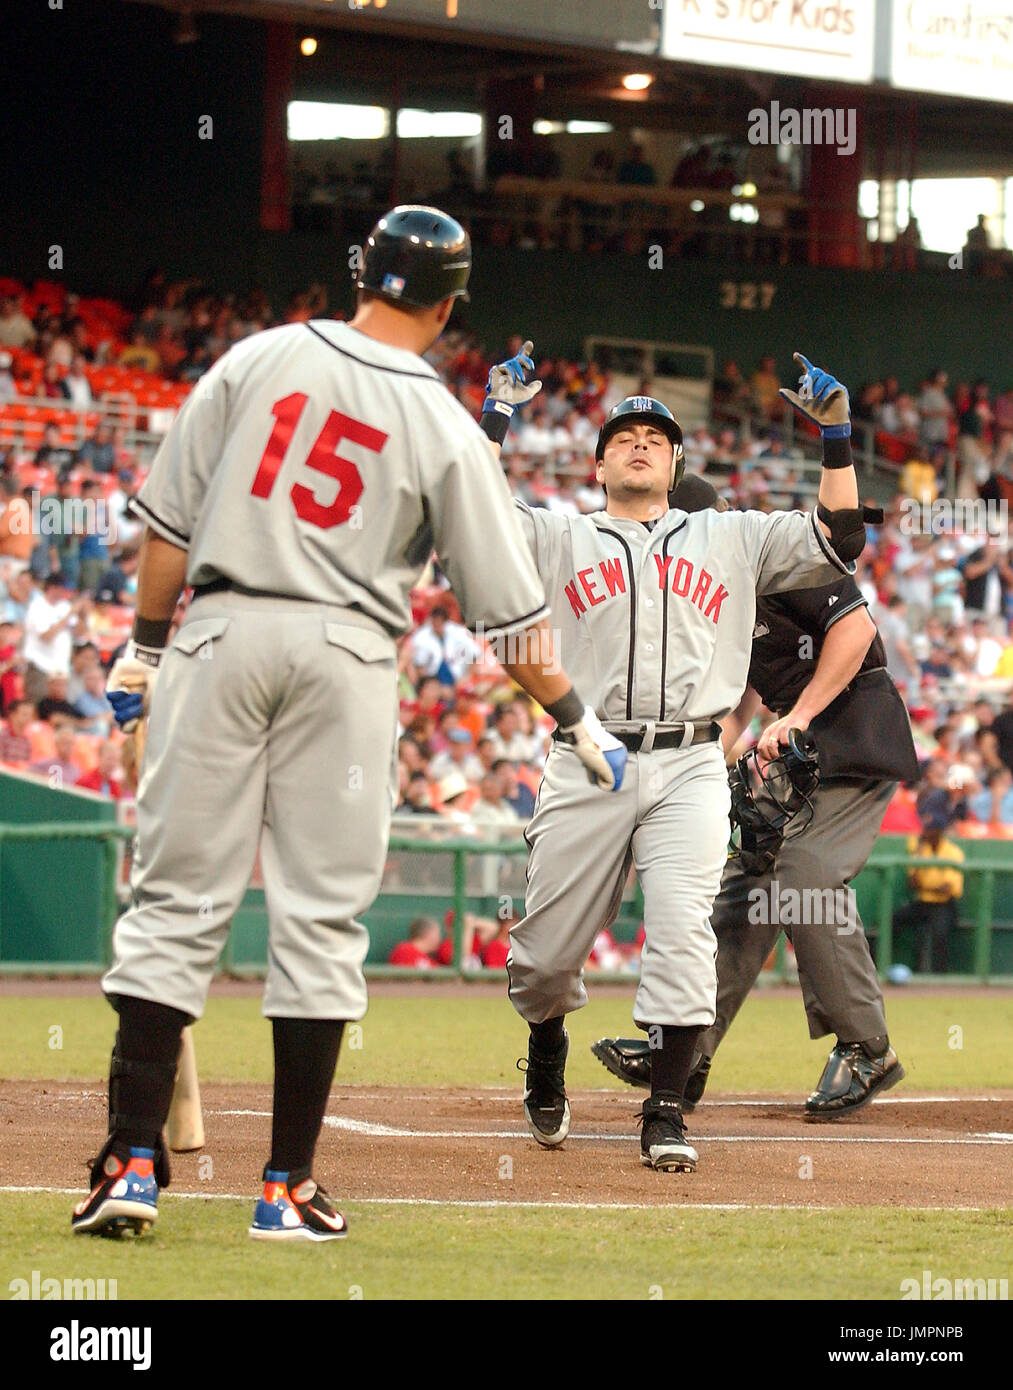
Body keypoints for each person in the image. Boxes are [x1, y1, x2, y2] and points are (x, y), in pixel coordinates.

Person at [72, 205, 625, 1243]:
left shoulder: (259, 356)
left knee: (173, 902)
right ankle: (284, 1186)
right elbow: (506, 620)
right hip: (348, 656)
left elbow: (166, 529)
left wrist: (146, 645)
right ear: (453, 304)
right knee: (321, 919)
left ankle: (127, 1161)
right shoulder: (450, 425)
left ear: (361, 271)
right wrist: (575, 718)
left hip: (221, 629)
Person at [506, 354, 873, 1173]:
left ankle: (665, 1109)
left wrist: (836, 437)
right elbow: (469, 515)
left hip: (691, 762)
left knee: (681, 938)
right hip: (588, 754)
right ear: (597, 462)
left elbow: (839, 538)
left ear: (676, 463)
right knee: (542, 959)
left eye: (655, 438)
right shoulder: (560, 534)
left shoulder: (731, 534)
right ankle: (547, 1041)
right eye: (623, 437)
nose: (640, 445)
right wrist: (496, 416)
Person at [592, 472, 918, 1118]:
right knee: (748, 889)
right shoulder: (710, 587)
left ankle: (866, 1046)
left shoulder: (783, 552)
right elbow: (746, 678)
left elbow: (853, 632)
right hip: (790, 744)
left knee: (804, 873)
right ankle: (683, 1055)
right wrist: (724, 742)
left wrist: (795, 715)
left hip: (852, 730)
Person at [892, 807, 964, 973]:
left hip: (944, 905)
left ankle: (940, 976)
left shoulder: (953, 852)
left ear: (938, 832)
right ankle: (877, 965)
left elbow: (947, 889)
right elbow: (913, 883)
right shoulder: (920, 850)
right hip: (922, 902)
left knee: (940, 934)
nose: (925, 833)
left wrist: (926, 887)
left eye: (929, 830)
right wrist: (917, 852)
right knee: (893, 920)